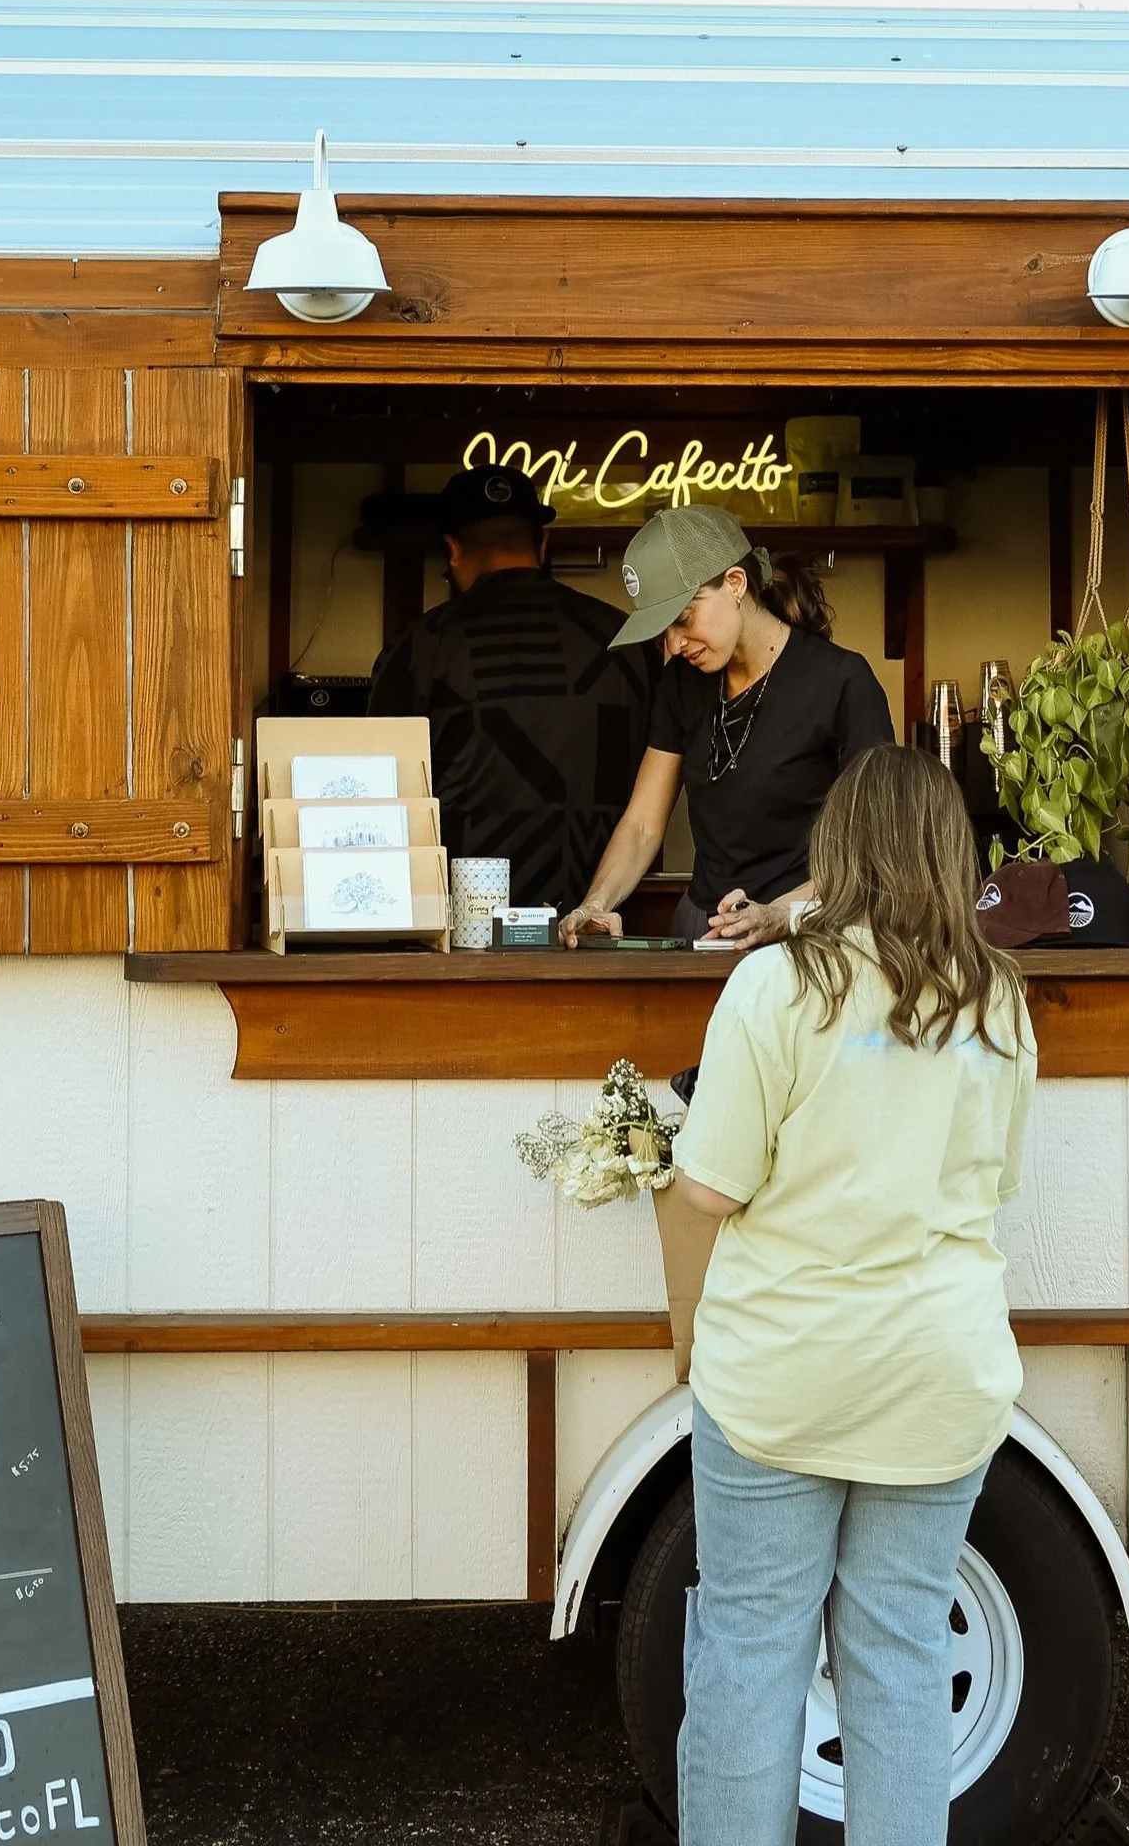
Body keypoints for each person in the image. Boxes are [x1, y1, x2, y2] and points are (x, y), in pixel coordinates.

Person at [667, 744, 1037, 1846]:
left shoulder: (775, 985)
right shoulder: (998, 999)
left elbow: (710, 1186)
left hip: (781, 1372)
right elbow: (996, 1184)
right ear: (950, 853)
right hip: (938, 1371)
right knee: (903, 1653)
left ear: (836, 851)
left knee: (750, 1648)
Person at [556, 503, 892, 949]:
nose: (674, 644)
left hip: (808, 932)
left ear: (735, 583)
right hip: (706, 929)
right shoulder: (681, 682)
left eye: (683, 619)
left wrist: (782, 914)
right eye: (661, 632)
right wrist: (596, 903)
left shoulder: (842, 681)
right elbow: (642, 825)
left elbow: (875, 849)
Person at [368, 464, 655, 911]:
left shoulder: (419, 648)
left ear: (452, 550)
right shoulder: (626, 640)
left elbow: (380, 795)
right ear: (542, 544)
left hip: (461, 919)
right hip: (602, 915)